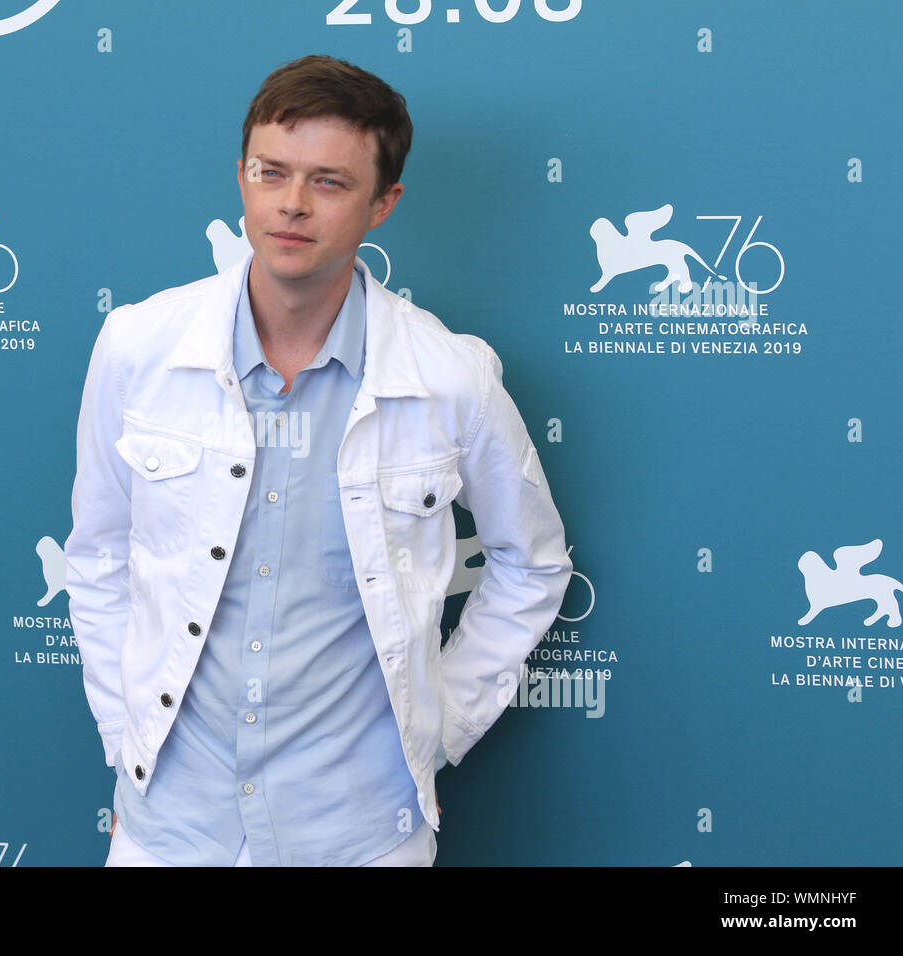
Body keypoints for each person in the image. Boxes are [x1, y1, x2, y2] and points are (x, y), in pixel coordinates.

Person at [65, 54, 571, 866]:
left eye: (330, 182)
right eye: (272, 173)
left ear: (383, 204)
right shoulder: (138, 345)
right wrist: (127, 736)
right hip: (169, 830)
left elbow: (532, 563)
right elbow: (96, 556)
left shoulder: (450, 376)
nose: (292, 205)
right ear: (242, 178)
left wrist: (440, 721)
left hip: (361, 831)